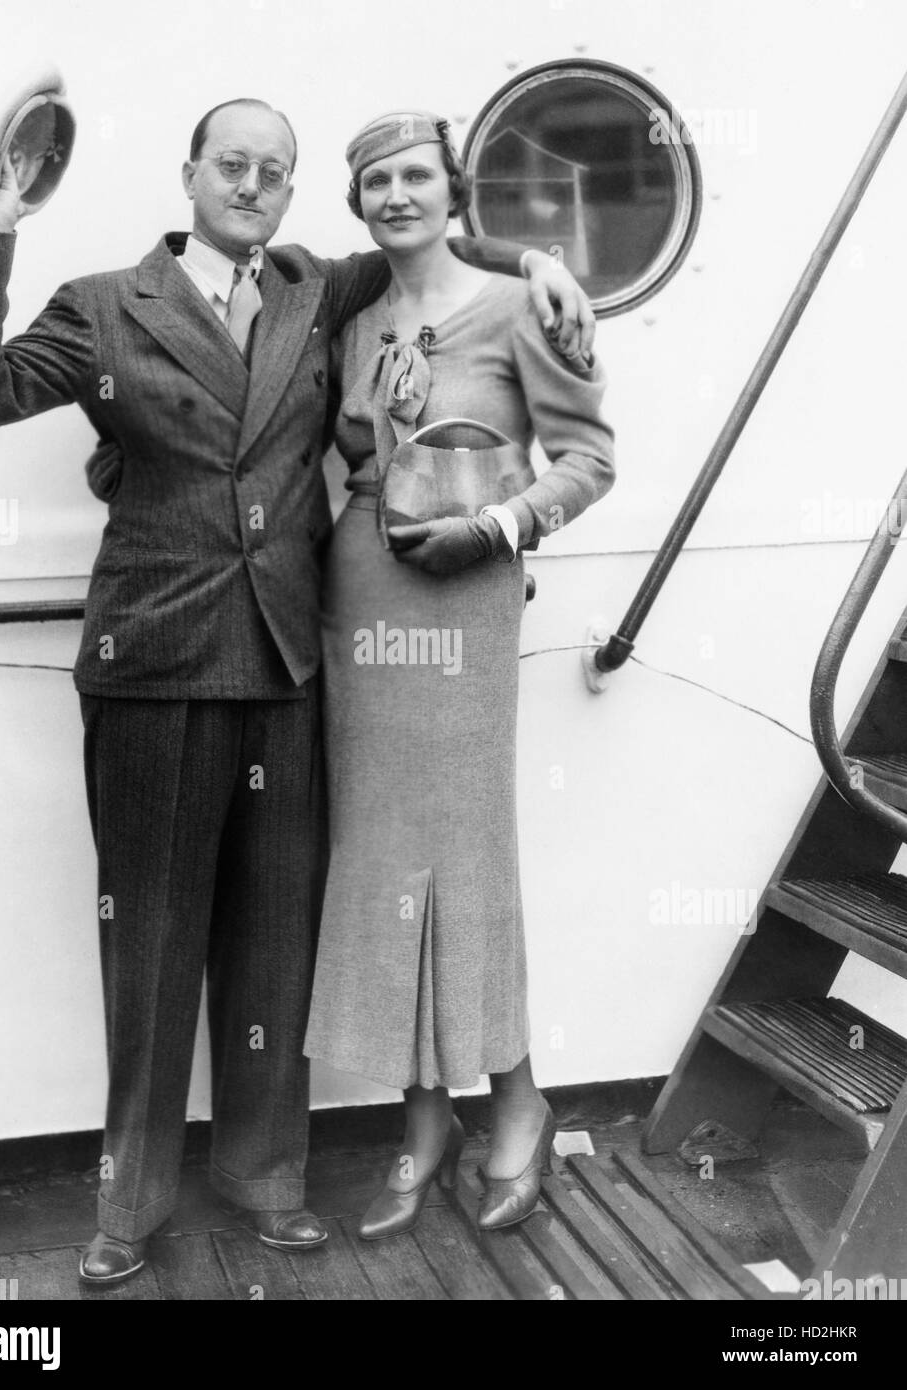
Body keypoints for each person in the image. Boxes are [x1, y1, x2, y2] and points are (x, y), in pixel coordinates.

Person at [0, 94, 594, 1286]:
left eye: (272, 171)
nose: (250, 184)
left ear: (291, 194)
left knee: (272, 949)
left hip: (291, 665)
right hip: (156, 669)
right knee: (149, 946)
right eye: (230, 165)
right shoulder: (99, 305)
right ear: (188, 175)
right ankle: (126, 1205)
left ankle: (265, 1179)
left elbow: (423, 238)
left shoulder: (310, 288)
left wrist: (537, 259)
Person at [301, 111, 616, 1238]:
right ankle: (423, 1118)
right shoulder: (352, 315)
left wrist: (497, 525)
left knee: (466, 852)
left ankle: (517, 1103)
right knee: (380, 854)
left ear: (453, 191)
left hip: (464, 603)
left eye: (415, 177)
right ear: (358, 203)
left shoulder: (521, 306)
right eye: (375, 179)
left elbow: (589, 459)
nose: (395, 194)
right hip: (359, 606)